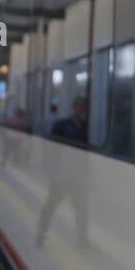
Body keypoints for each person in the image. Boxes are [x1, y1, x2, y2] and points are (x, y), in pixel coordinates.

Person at [35, 97, 90, 249]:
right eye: (79, 106)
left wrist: (88, 175)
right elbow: (52, 149)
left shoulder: (85, 127)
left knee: (81, 208)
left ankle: (82, 241)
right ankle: (41, 233)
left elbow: (85, 154)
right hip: (61, 174)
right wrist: (53, 171)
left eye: (83, 107)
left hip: (77, 175)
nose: (81, 109)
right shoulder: (61, 125)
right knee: (51, 204)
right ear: (74, 107)